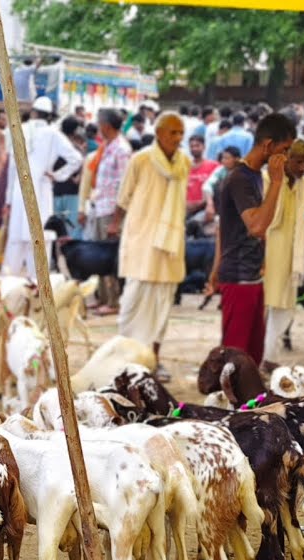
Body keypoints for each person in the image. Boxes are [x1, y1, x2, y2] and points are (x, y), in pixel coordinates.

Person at [207, 113, 297, 365]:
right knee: (235, 360)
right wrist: (277, 182)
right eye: (284, 149)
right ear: (268, 146)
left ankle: (248, 403)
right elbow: (257, 226)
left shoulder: (255, 175)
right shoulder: (240, 178)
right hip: (238, 276)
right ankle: (230, 404)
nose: (286, 157)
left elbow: (225, 229)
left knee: (252, 356)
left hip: (250, 275)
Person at [112, 113, 189, 379]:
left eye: (181, 133)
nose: (178, 138)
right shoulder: (141, 159)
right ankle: (126, 358)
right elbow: (123, 198)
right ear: (158, 133)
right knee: (133, 302)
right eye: (173, 132)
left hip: (170, 245)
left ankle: (154, 360)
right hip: (142, 242)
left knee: (163, 306)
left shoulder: (185, 162)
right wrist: (115, 226)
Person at [1, 96, 82, 277]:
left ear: (33, 112)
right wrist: (56, 175)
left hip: (19, 192)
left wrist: (8, 200)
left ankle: (7, 285)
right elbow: (76, 159)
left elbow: (11, 170)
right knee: (40, 240)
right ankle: (38, 290)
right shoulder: (54, 135)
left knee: (16, 240)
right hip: (41, 191)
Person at [261, 140, 304, 371]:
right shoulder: (266, 180)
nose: (302, 168)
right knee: (262, 305)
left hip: (291, 256)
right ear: (285, 159)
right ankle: (257, 356)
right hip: (267, 251)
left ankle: (270, 358)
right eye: (297, 161)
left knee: (284, 306)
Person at [79, 108, 132, 242]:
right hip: (100, 209)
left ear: (106, 127)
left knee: (111, 258)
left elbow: (125, 188)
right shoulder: (105, 147)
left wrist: (115, 222)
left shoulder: (121, 150)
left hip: (111, 213)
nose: (97, 127)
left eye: (99, 124)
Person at [185, 133, 219, 217]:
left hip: (205, 210)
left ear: (203, 147)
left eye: (197, 146)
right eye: (192, 146)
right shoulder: (184, 167)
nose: (194, 148)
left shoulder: (214, 166)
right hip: (185, 209)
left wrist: (203, 203)